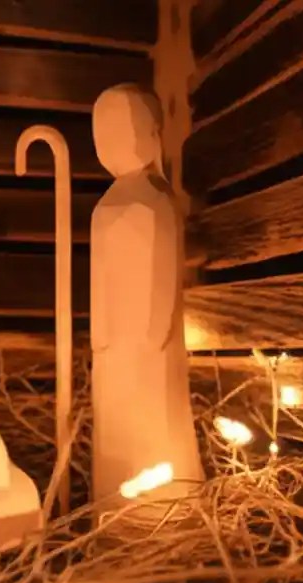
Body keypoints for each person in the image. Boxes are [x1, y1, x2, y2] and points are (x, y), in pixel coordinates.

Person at [89, 83, 203, 509]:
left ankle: (164, 509)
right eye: (103, 131)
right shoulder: (104, 208)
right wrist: (100, 331)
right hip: (113, 342)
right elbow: (99, 272)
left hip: (149, 341)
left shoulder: (158, 202)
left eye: (123, 127)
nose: (112, 140)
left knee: (153, 416)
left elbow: (162, 270)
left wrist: (156, 328)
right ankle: (113, 501)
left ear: (152, 133)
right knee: (114, 419)